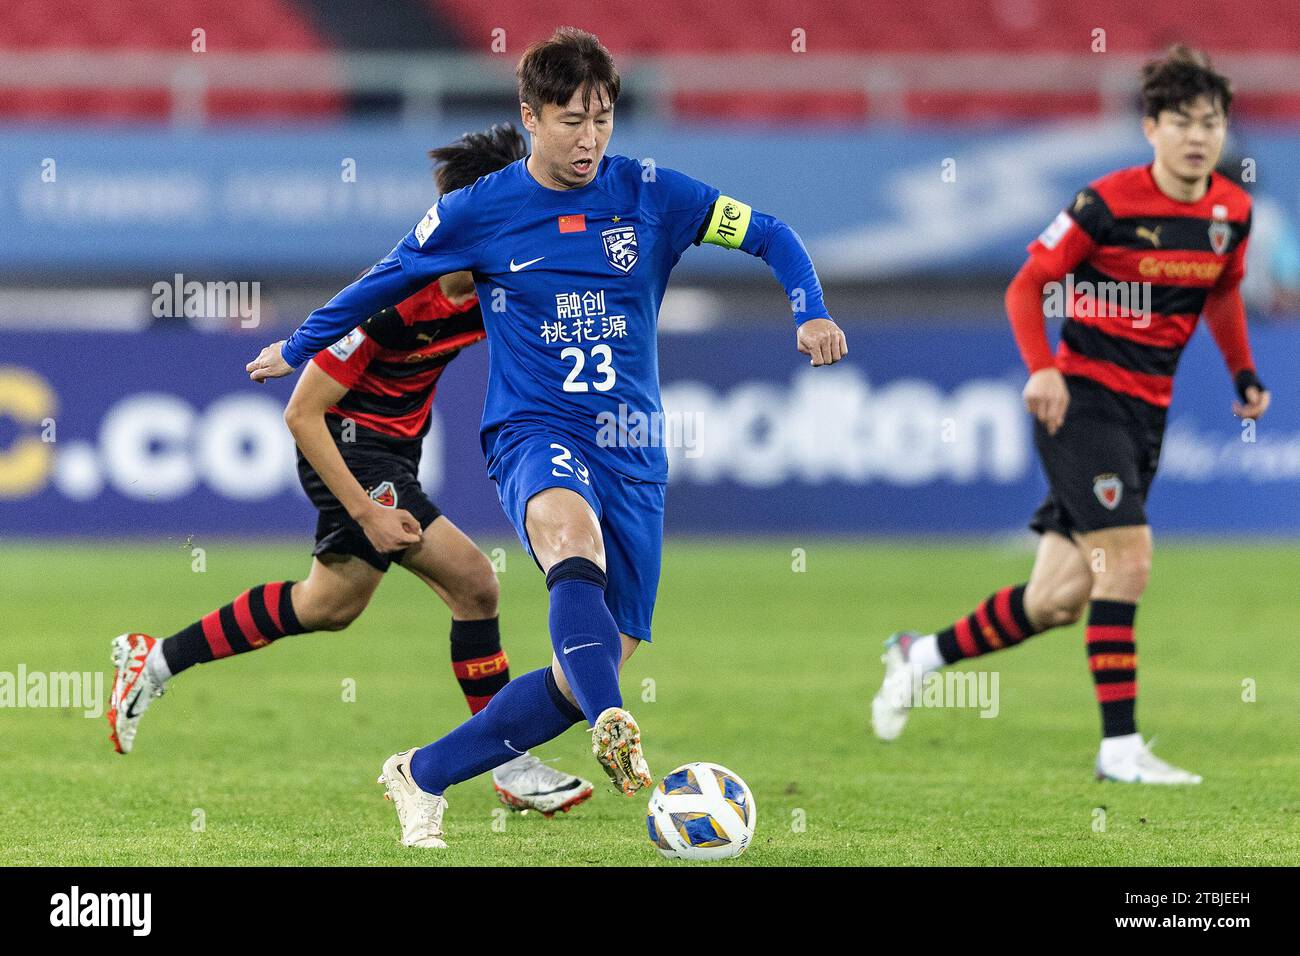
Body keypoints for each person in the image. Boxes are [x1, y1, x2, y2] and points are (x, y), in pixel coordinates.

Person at [246, 27, 848, 847]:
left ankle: (420, 772)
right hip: (534, 429)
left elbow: (771, 232)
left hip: (633, 444)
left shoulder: (653, 192)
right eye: (571, 120)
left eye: (602, 118)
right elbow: (385, 276)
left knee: (591, 657)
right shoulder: (480, 209)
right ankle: (613, 722)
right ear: (529, 117)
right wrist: (299, 344)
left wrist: (808, 308)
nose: (590, 138)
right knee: (572, 536)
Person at [108, 124, 594, 817]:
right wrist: (366, 509)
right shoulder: (395, 298)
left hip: (394, 451)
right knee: (477, 584)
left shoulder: (494, 287)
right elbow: (302, 413)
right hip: (347, 446)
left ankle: (153, 660)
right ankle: (509, 765)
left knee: (327, 605)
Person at [871, 45, 1269, 785]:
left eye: (1210, 123)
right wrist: (1043, 368)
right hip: (1082, 406)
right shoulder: (1106, 203)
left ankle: (919, 655)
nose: (1196, 136)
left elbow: (1221, 292)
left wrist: (1243, 372)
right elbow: (1027, 286)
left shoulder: (1231, 212)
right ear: (1150, 127)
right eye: (1180, 121)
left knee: (1054, 600)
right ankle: (1120, 749)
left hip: (1146, 417)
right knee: (1130, 558)